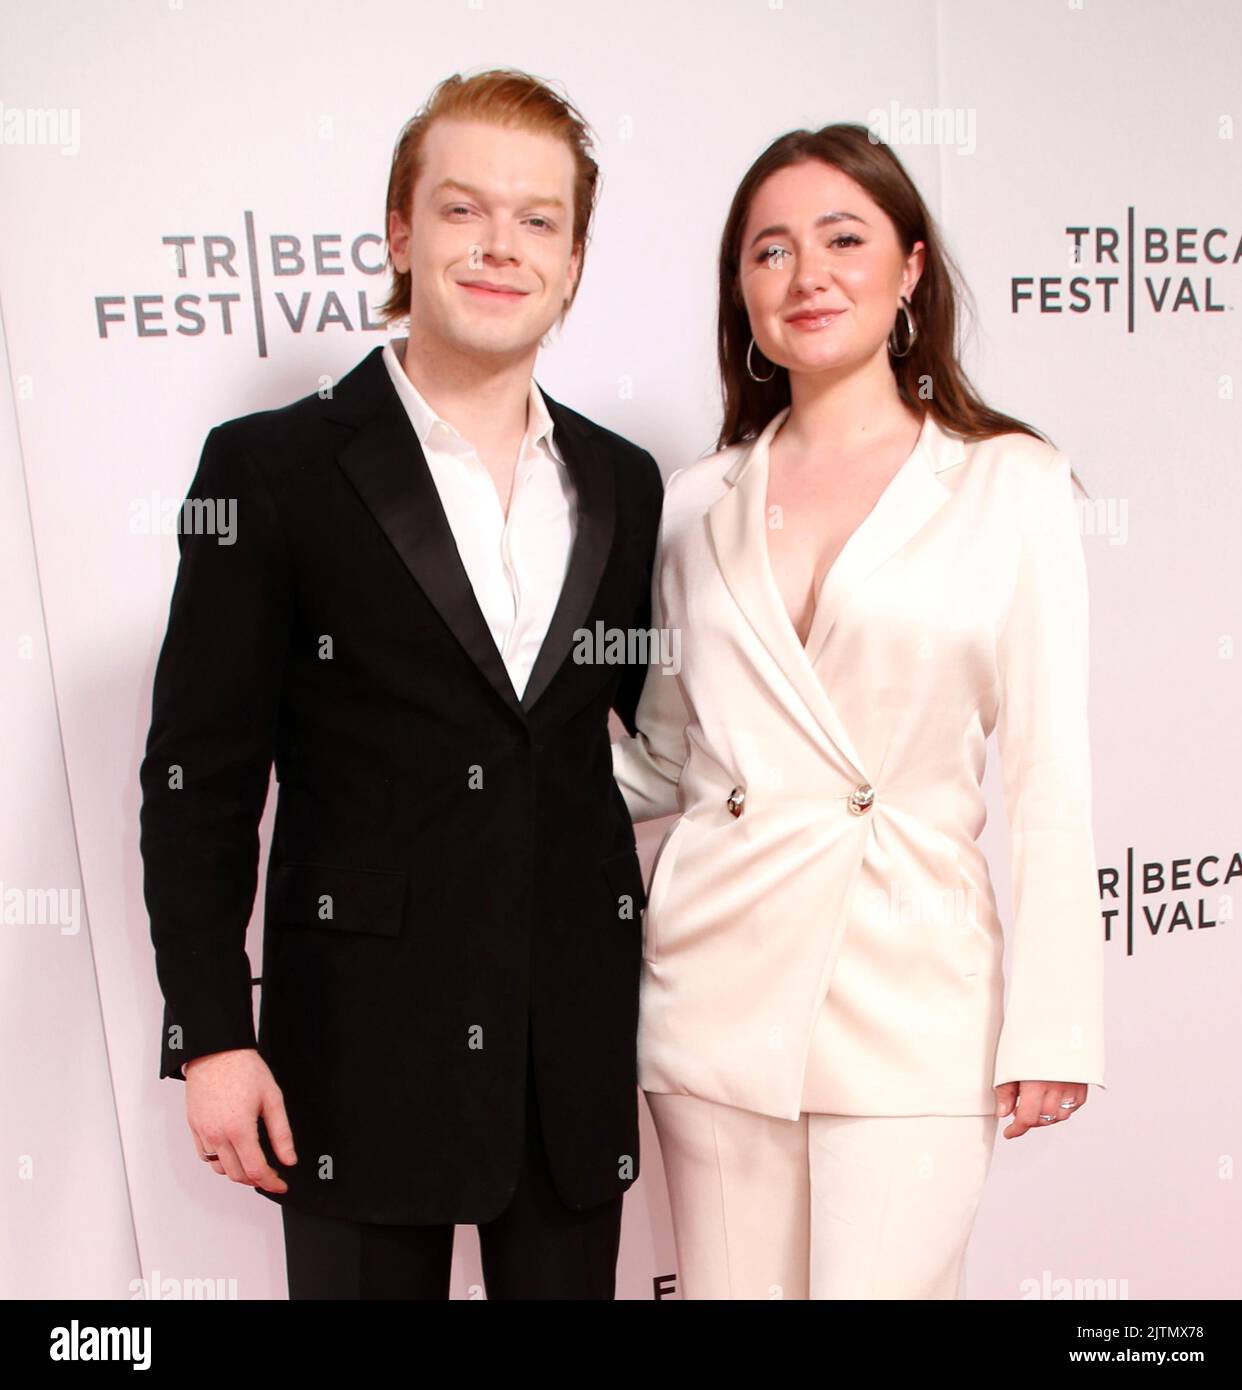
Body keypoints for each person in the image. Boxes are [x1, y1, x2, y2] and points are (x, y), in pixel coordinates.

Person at [139, 68, 662, 1300]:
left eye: (539, 220)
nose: (500, 246)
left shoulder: (627, 483)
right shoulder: (269, 469)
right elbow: (195, 779)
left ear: (575, 261)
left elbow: (631, 752)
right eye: (463, 209)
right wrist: (212, 1033)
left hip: (570, 1067)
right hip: (355, 1055)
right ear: (399, 233)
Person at [612, 123, 1106, 1300]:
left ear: (912, 271)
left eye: (845, 238)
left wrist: (1053, 1022)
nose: (808, 274)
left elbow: (1048, 771)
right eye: (769, 251)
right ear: (742, 291)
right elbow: (666, 761)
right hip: (714, 986)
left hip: (912, 984)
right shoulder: (695, 500)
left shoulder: (1011, 482)